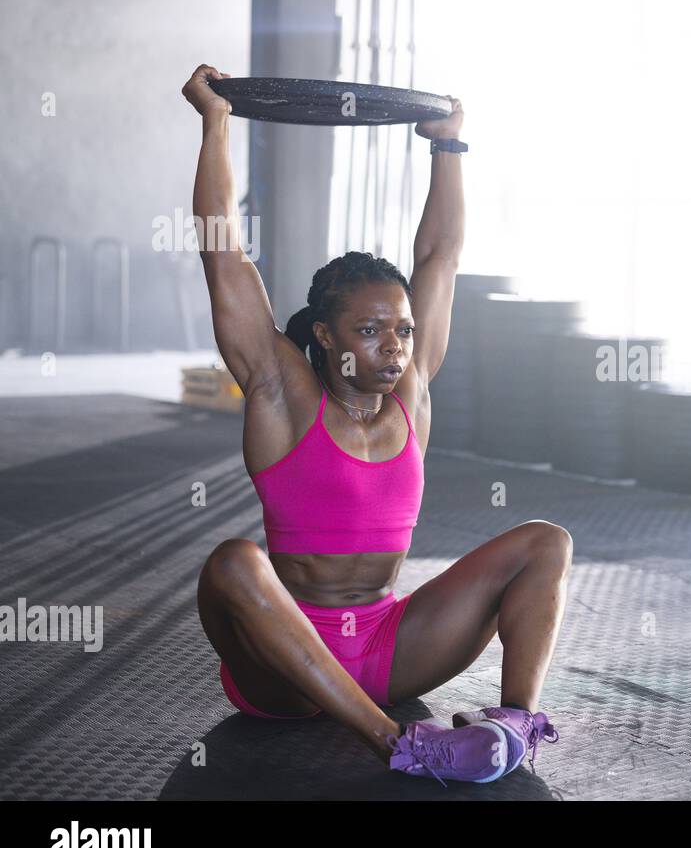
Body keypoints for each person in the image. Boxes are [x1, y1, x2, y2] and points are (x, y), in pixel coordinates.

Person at [181, 63, 568, 785]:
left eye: (402, 330)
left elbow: (440, 257)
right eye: (370, 329)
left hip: (391, 648)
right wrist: (215, 122)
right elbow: (221, 251)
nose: (393, 345)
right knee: (232, 562)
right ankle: (398, 741)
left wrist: (448, 147)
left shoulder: (412, 391)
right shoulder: (280, 392)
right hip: (284, 671)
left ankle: (515, 723)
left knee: (546, 543)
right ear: (324, 336)